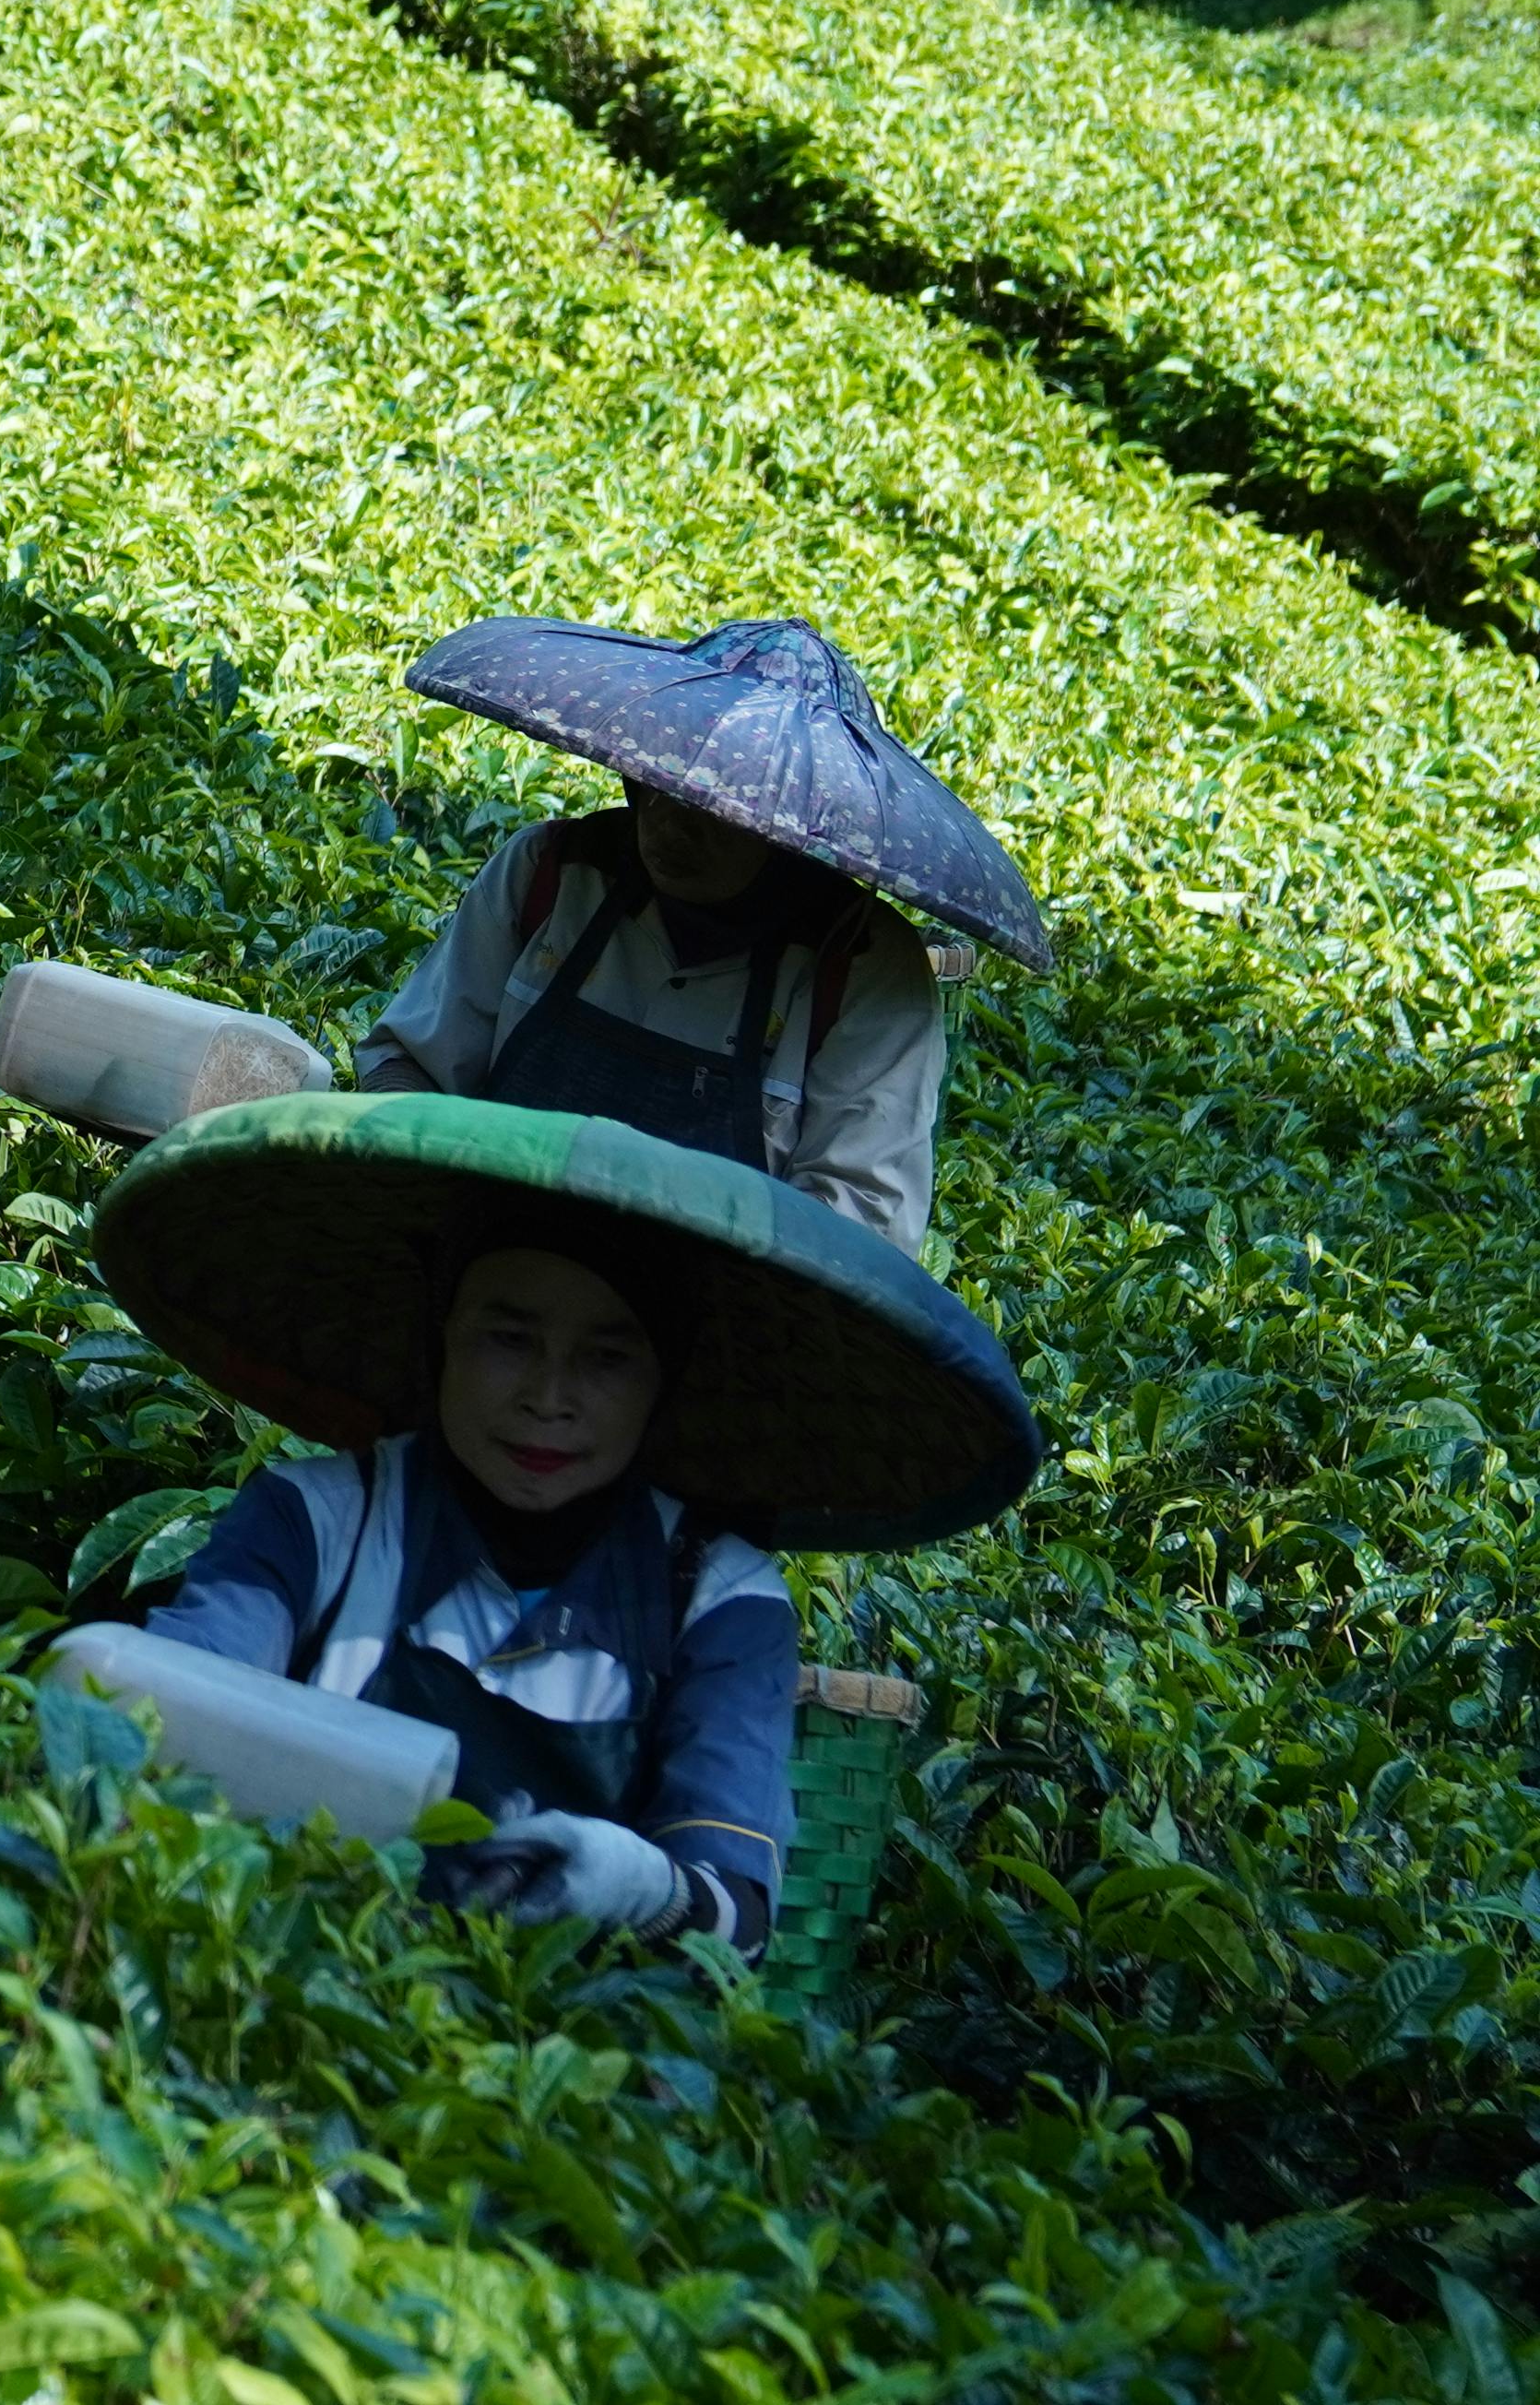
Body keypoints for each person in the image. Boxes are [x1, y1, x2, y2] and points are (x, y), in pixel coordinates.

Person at [90, 1094, 1040, 1954]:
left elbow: (738, 1917)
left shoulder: (718, 1596)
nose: (550, 1398)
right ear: (442, 1335)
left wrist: (639, 1888)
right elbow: (165, 1721)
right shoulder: (317, 1521)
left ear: (662, 1382)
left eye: (608, 1359)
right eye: (509, 1339)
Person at [352, 617, 1053, 1256]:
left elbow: (861, 1230)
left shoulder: (864, 970)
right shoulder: (551, 874)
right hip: (489, 1257)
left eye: (720, 805)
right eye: (664, 779)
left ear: (795, 830)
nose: (670, 819)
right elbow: (409, 1061)